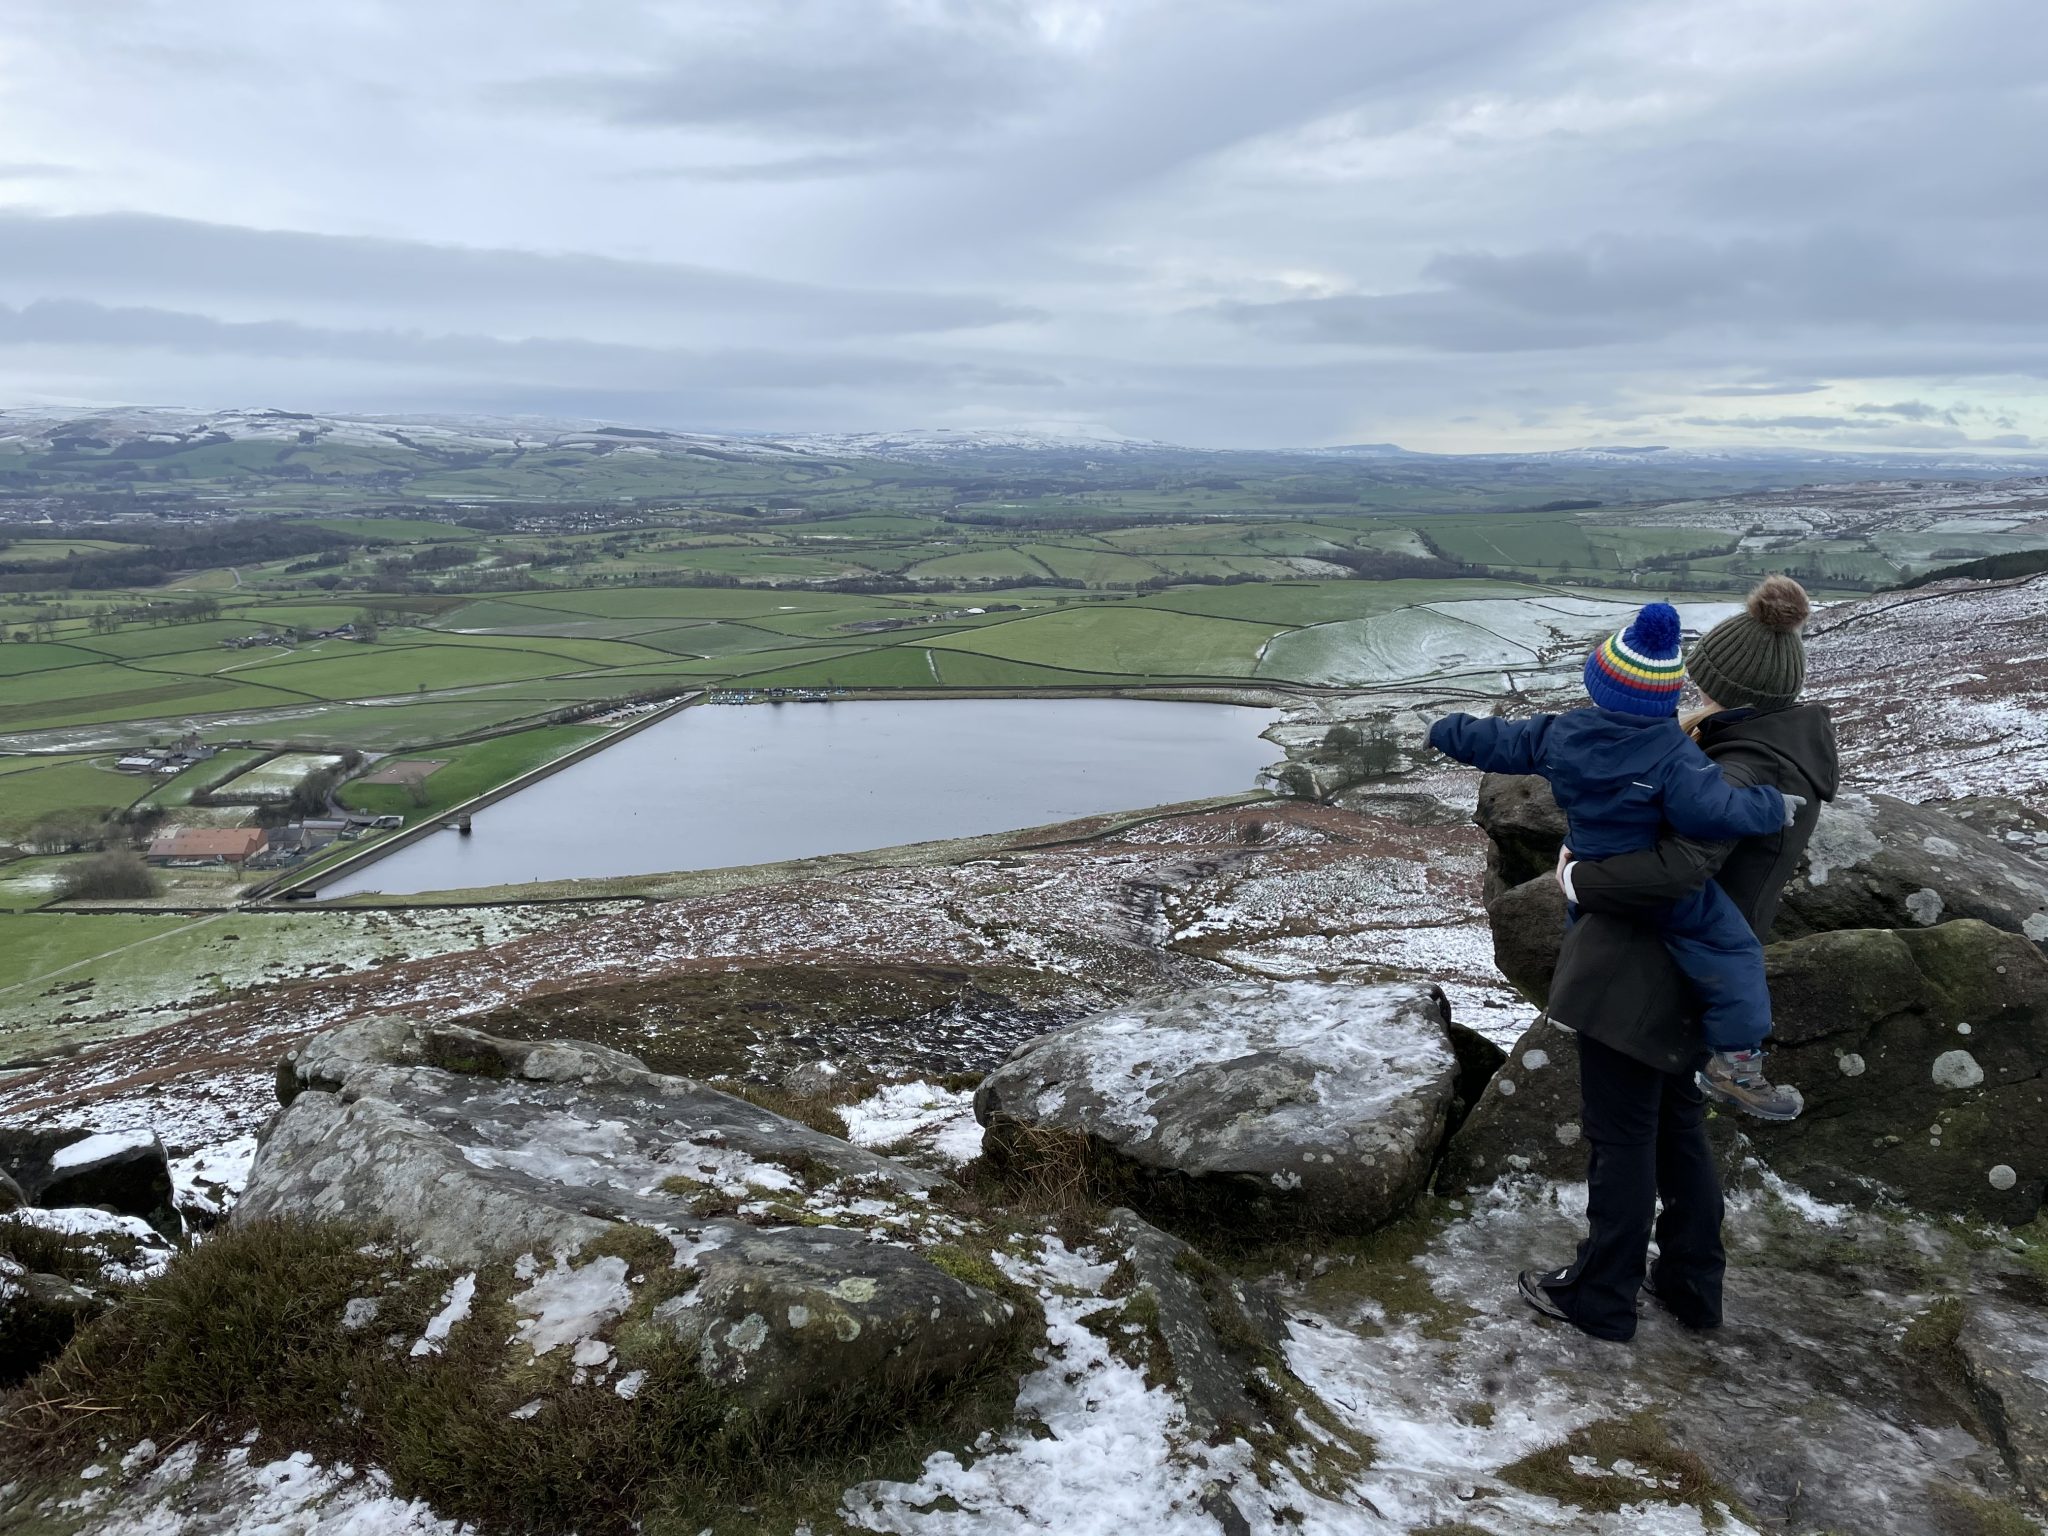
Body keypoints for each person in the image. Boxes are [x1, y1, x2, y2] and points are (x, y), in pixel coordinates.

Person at [1515, 574, 1836, 1342]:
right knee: (1677, 1128)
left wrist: (1579, 875)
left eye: (1704, 680)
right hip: (1695, 976)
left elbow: (1682, 866)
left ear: (1730, 687)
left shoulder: (1743, 767)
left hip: (1645, 973)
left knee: (1623, 1136)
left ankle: (1601, 1296)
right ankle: (1691, 1285)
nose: (1691, 688)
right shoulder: (1782, 745)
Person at [1428, 599, 1805, 1120]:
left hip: (1588, 861)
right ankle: (1737, 1063)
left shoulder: (1561, 734)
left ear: (1597, 683)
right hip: (1650, 881)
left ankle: (1573, 1003)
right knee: (1731, 948)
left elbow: (1497, 741)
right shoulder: (1675, 756)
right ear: (1667, 694)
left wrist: (1447, 730)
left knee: (1584, 922)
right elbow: (1716, 810)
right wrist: (1771, 805)